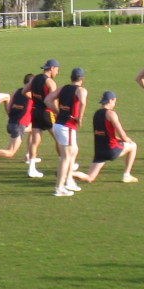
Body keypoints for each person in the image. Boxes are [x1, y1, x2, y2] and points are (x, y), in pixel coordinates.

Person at [71, 91, 138, 184]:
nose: (115, 103)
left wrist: (118, 139)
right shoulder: (111, 114)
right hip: (111, 149)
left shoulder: (97, 113)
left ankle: (68, 174)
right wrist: (128, 140)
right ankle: (126, 175)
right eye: (114, 101)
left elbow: (104, 133)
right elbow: (122, 134)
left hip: (99, 151)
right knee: (133, 146)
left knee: (90, 178)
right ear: (111, 100)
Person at [45, 67, 88, 197]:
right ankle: (59, 187)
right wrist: (79, 118)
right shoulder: (81, 90)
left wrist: (58, 112)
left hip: (59, 125)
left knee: (74, 150)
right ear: (82, 79)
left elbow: (47, 100)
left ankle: (69, 180)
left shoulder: (63, 88)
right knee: (66, 157)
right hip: (67, 126)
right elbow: (83, 102)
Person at [0, 74, 35, 168]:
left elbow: (9, 107)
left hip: (12, 123)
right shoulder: (31, 95)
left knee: (35, 128)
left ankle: (29, 156)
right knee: (10, 152)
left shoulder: (16, 91)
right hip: (19, 125)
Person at [24, 59, 60, 177]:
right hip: (47, 113)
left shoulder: (35, 79)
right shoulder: (50, 83)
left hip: (35, 111)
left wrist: (35, 99)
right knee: (60, 139)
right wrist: (57, 112)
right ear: (52, 68)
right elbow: (52, 101)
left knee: (35, 141)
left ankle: (32, 168)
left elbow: (24, 92)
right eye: (57, 70)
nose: (57, 73)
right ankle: (64, 162)